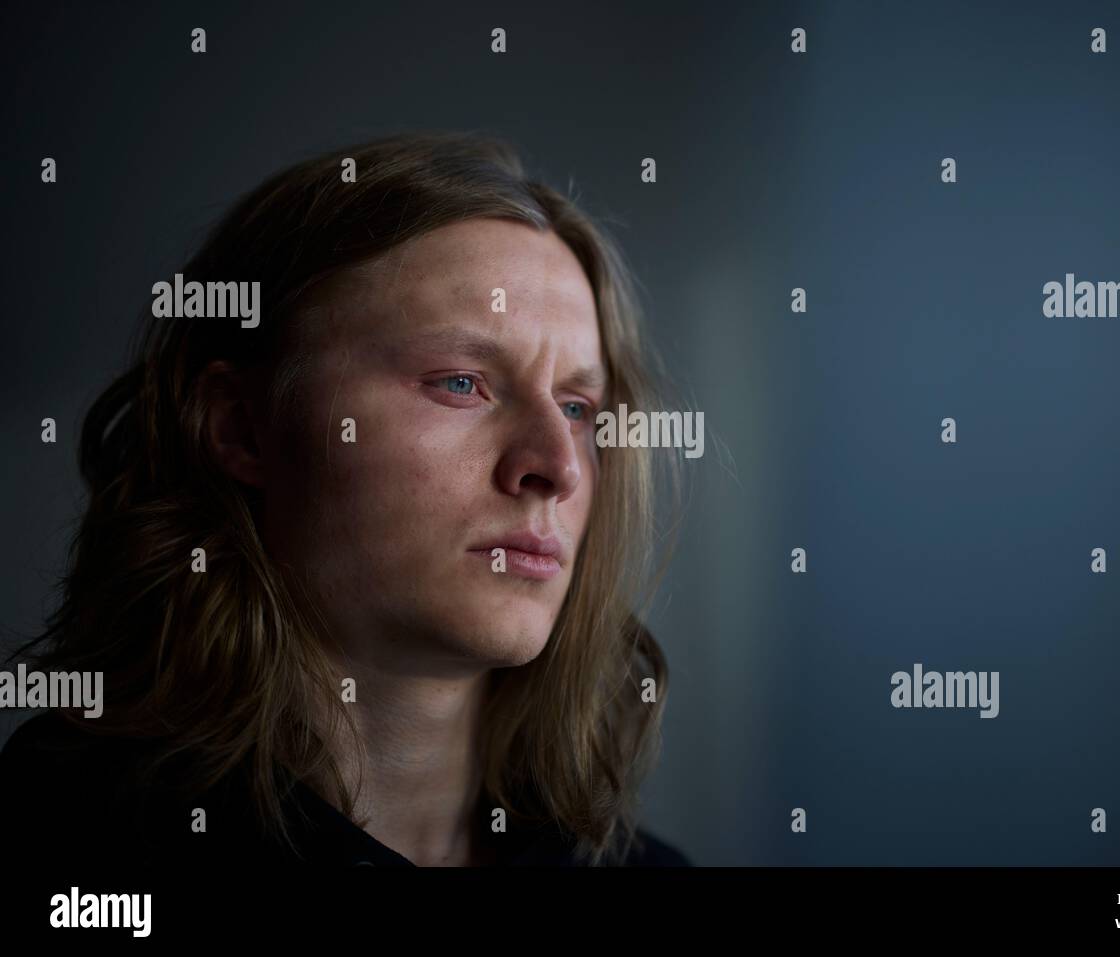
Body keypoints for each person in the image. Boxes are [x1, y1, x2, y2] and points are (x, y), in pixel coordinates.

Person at [0, 130, 689, 867]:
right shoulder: (62, 839)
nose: (558, 467)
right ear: (241, 427)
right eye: (460, 381)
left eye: (579, 408)